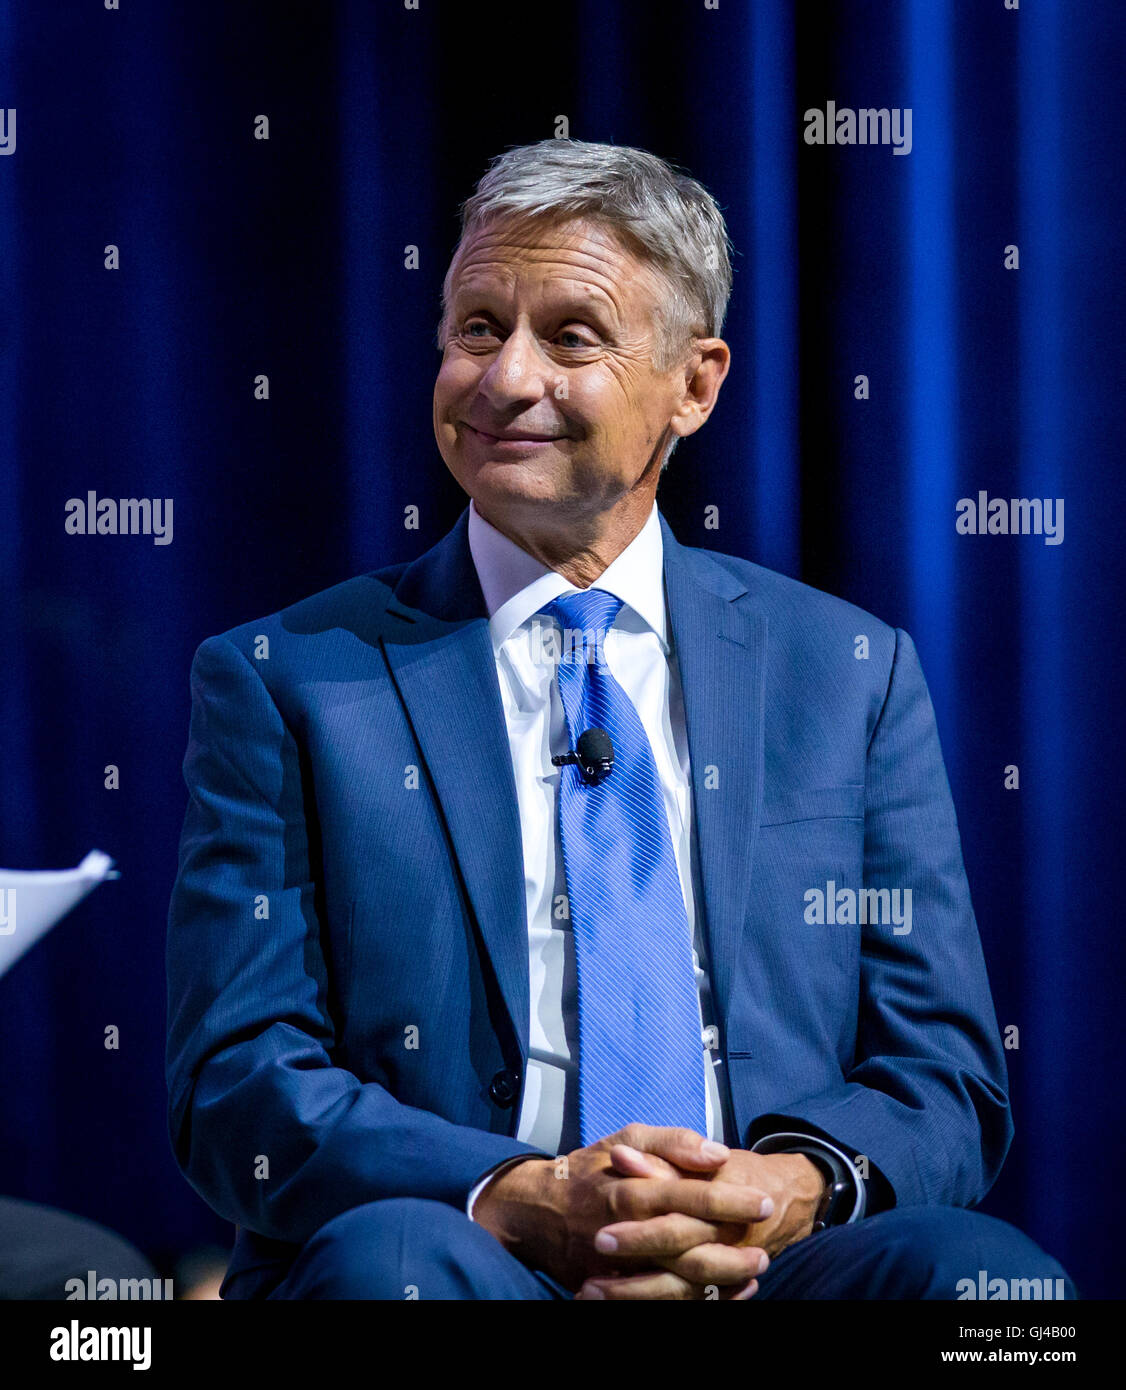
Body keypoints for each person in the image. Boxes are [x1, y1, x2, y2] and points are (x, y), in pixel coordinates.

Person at [166, 139, 1074, 1301]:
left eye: (571, 337)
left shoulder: (846, 671)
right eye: (477, 327)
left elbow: (944, 1073)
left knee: (992, 1287)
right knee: (389, 1267)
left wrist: (779, 1188)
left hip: (768, 1260)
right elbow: (234, 1077)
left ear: (695, 385)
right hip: (466, 1248)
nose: (503, 378)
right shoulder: (287, 677)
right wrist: (517, 1195)